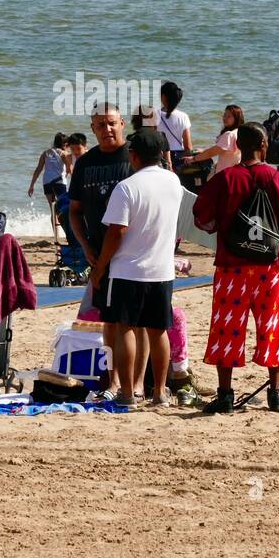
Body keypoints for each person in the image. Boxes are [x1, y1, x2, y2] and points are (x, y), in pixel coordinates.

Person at [194, 122, 279, 414]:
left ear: (238, 146)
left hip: (232, 269)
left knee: (226, 330)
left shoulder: (225, 179)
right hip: (271, 269)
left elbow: (201, 216)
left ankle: (226, 396)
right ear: (264, 146)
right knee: (273, 329)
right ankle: (276, 395)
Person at [89, 128, 183, 407]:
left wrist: (100, 268)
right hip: (162, 269)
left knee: (125, 328)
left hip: (128, 269)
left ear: (134, 155)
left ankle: (128, 393)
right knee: (158, 331)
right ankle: (159, 392)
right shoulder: (173, 182)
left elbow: (116, 232)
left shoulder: (127, 187)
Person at [67, 104, 134, 390]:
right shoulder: (85, 163)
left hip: (133, 251)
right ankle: (113, 379)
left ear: (122, 124)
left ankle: (138, 383)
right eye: (100, 125)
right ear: (92, 129)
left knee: (134, 323)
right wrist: (84, 246)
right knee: (109, 323)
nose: (107, 130)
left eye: (111, 123)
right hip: (98, 254)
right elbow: (74, 211)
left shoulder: (134, 156)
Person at [28, 133, 71, 242]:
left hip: (47, 183)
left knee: (52, 209)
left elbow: (38, 170)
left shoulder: (46, 153)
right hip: (59, 183)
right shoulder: (64, 153)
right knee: (63, 209)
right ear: (65, 144)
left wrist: (32, 185)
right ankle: (67, 233)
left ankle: (56, 237)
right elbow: (70, 169)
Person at [192, 104, 244, 176]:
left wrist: (193, 159)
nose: (225, 118)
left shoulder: (229, 135)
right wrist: (203, 150)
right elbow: (220, 148)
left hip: (224, 174)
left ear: (236, 119)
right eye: (224, 115)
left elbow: (211, 153)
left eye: (229, 116)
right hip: (235, 173)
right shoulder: (239, 132)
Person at [155, 81, 194, 172]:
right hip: (178, 158)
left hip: (160, 157)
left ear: (164, 96)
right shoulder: (183, 116)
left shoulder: (153, 115)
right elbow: (188, 147)